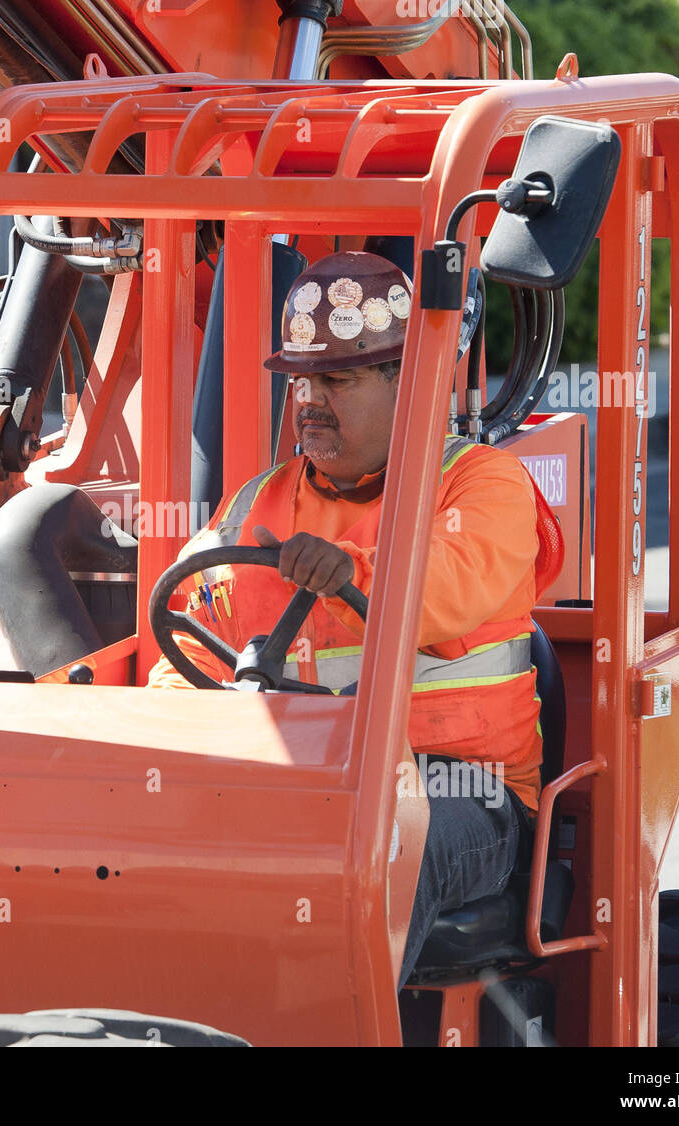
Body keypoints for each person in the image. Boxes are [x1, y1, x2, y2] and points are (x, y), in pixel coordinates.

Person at [148, 250, 561, 987]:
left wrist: (350, 575)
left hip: (464, 788)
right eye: (300, 380)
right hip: (301, 782)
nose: (309, 400)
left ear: (407, 383)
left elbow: (446, 585)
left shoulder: (480, 484)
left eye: (335, 379)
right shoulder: (256, 504)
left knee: (373, 842)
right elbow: (193, 650)